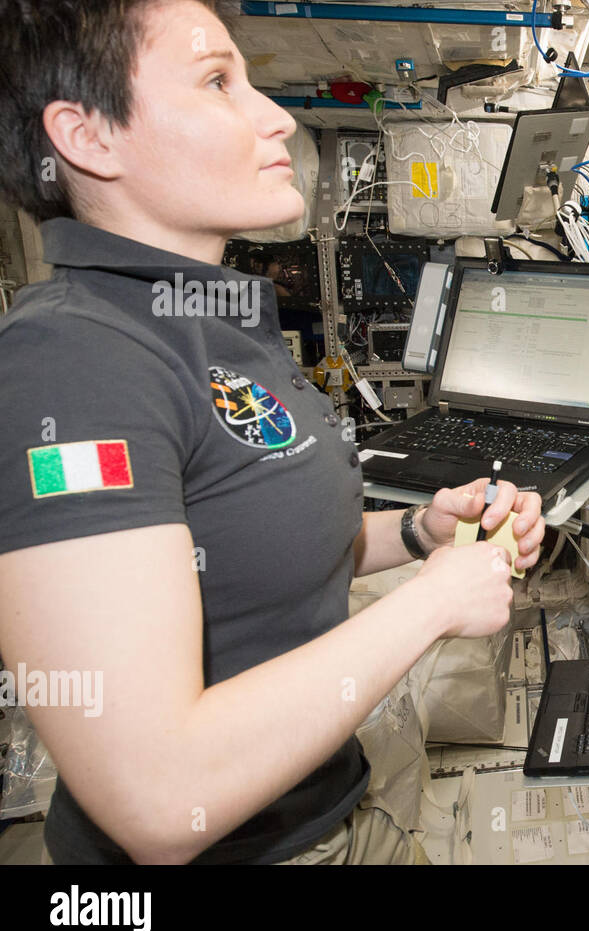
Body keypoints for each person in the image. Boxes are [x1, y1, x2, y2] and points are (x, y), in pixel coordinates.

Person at [0, 0, 547, 864]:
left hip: (333, 801)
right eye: (218, 80)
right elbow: (157, 794)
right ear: (86, 136)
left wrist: (417, 531)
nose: (276, 115)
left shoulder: (207, 316)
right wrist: (434, 600)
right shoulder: (71, 357)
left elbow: (253, 548)